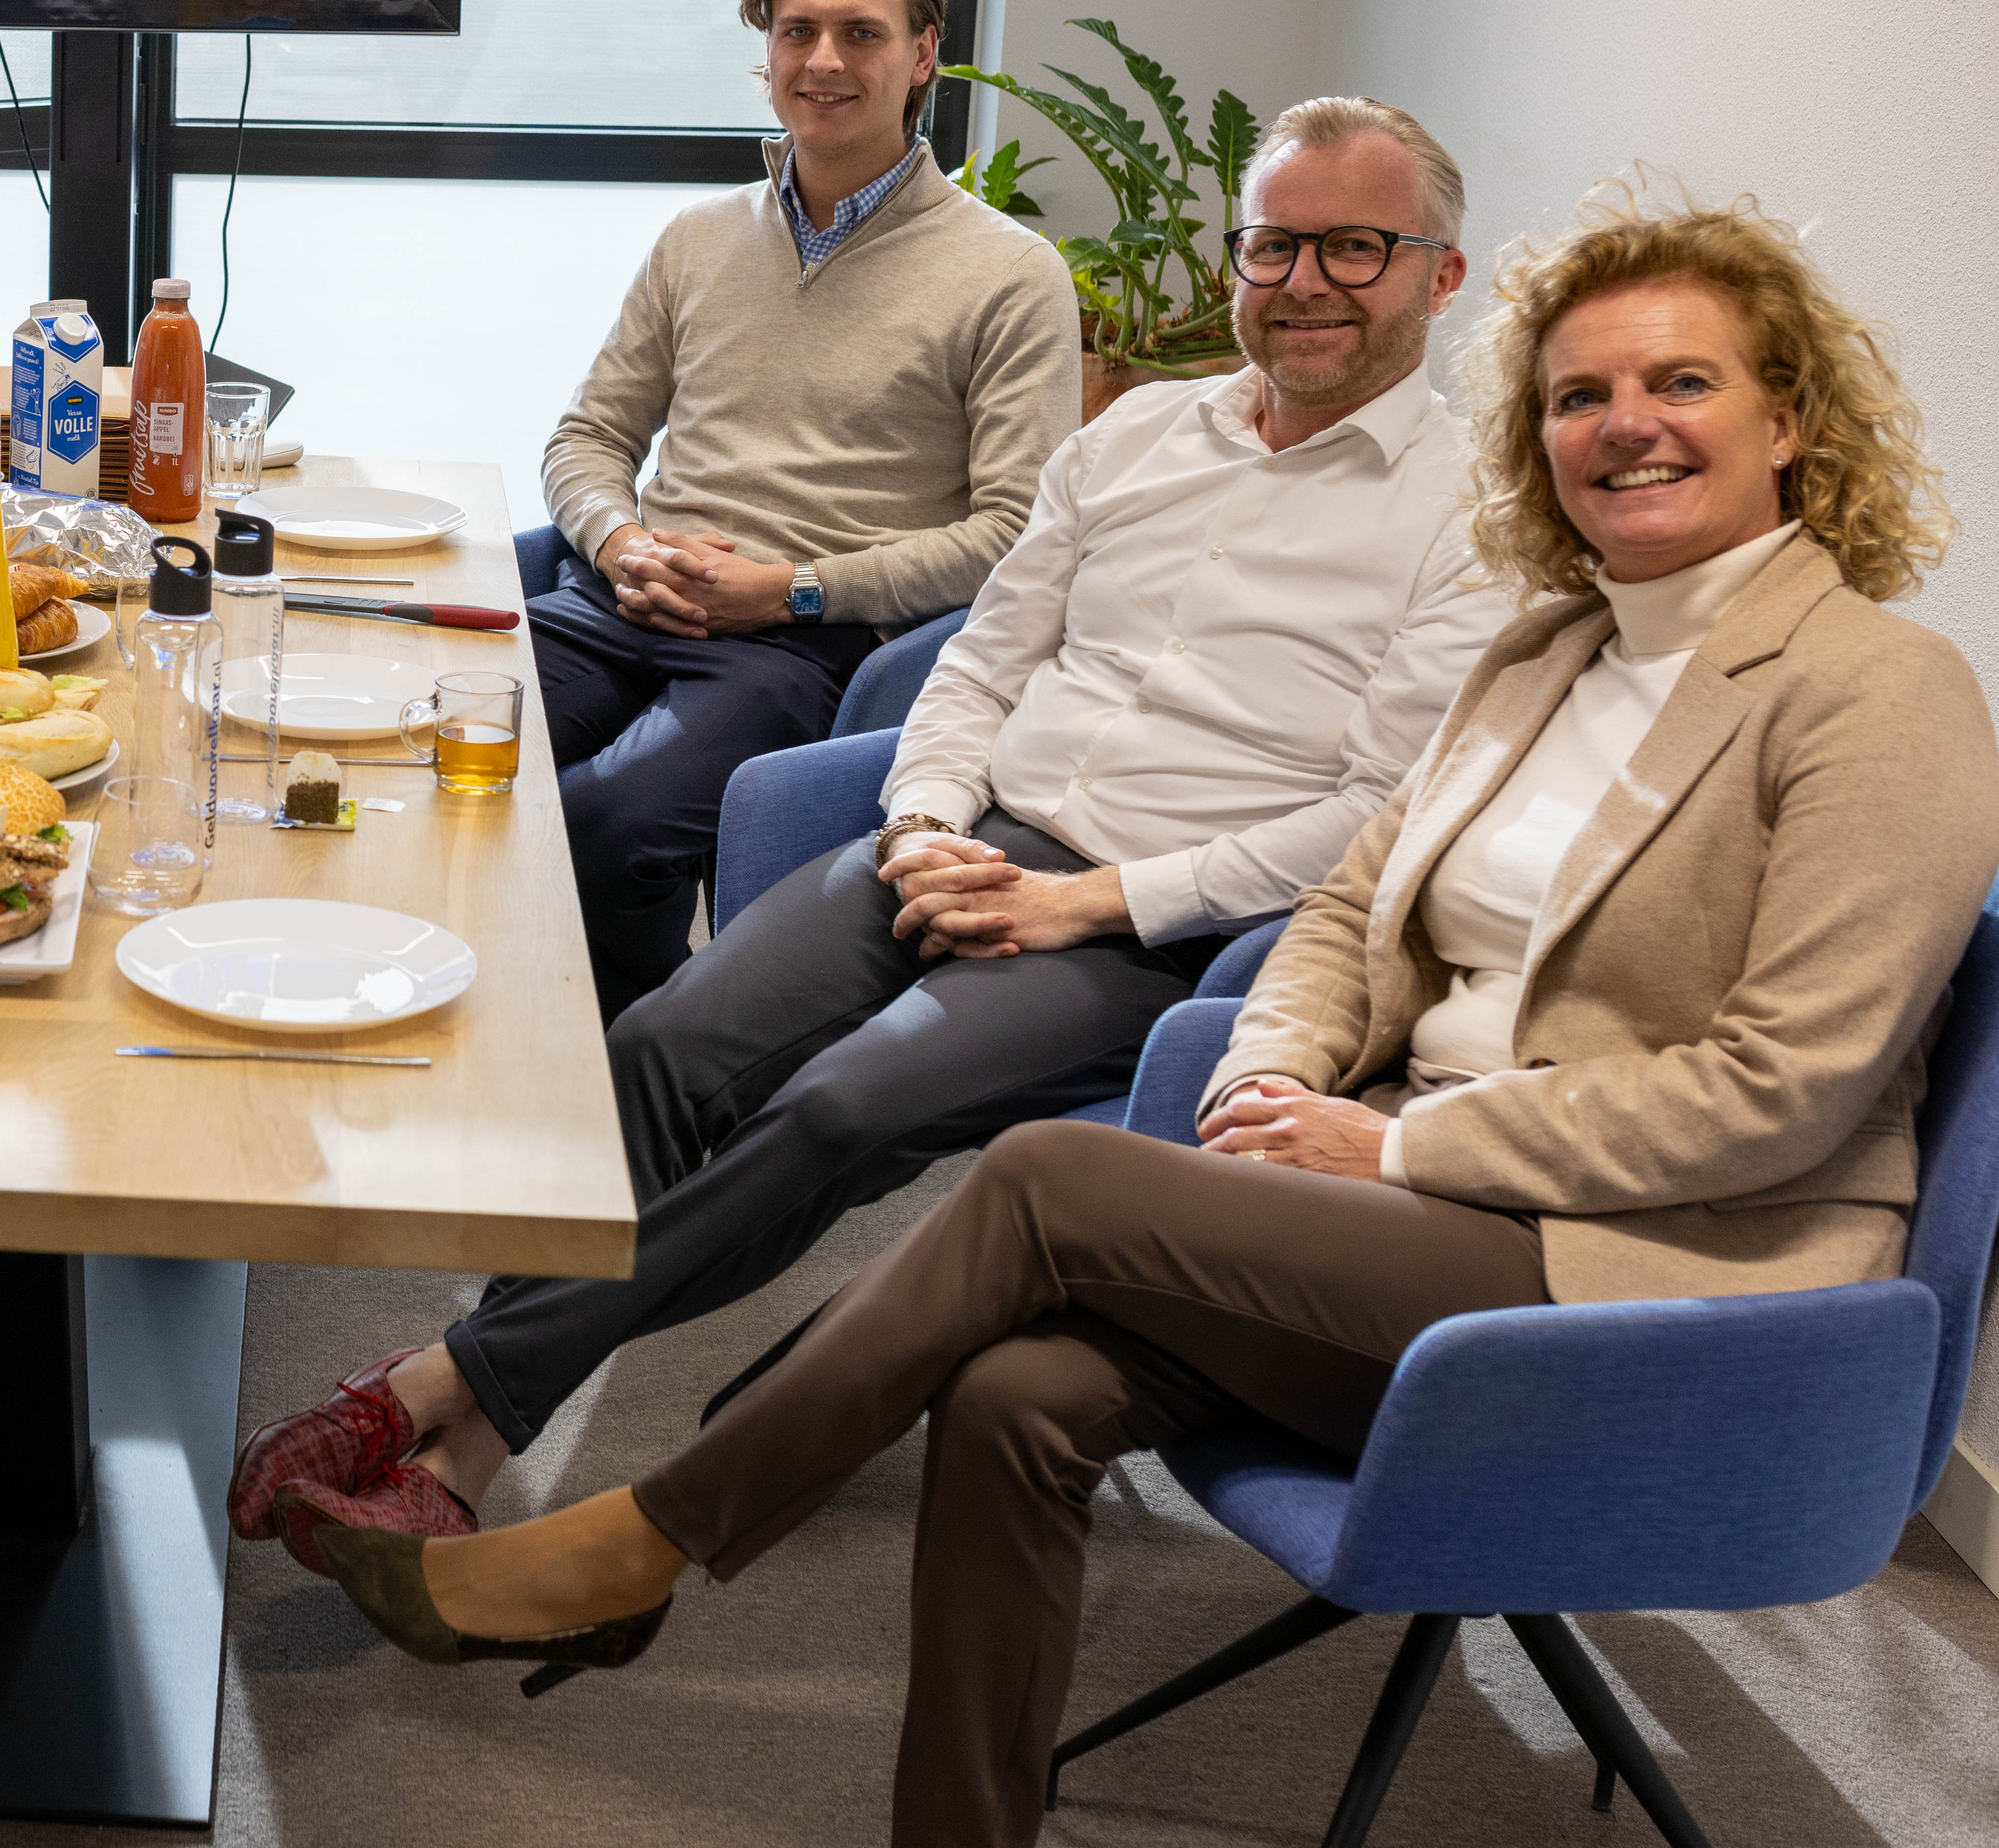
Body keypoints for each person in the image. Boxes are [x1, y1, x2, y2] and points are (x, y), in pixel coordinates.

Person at [275, 186, 1998, 1848]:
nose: (1618, 424)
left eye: (1678, 381)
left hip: (1651, 1275)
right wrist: (1270, 1073)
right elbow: (1349, 908)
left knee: (1038, 1180)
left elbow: (1775, 1091)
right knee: (1021, 1386)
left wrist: (1399, 1145)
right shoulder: (1546, 650)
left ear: (1789, 414)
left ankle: (639, 1536)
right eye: (1577, 394)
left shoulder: (1878, 692)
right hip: (1398, 1180)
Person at [238, 97, 1512, 1555]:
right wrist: (917, 819)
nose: (1302, 283)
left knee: (839, 1109)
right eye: (1276, 245)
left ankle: (425, 1390)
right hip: (963, 836)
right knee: (661, 1050)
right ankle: (459, 1458)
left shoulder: (1471, 515)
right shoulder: (1141, 434)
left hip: (1157, 929)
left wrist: (1080, 907)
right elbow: (982, 657)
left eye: (1355, 249)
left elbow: (1371, 819)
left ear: (1440, 274)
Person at [534, 0, 1080, 1018]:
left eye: (861, 33)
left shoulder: (1009, 274)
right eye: (798, 32)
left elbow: (1015, 534)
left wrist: (788, 589)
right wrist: (622, 539)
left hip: (797, 643)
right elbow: (588, 438)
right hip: (624, 597)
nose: (823, 61)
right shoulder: (698, 239)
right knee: (438, 737)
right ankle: (522, 1024)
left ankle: (618, 1072)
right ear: (767, 55)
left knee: (607, 823)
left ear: (923, 54)